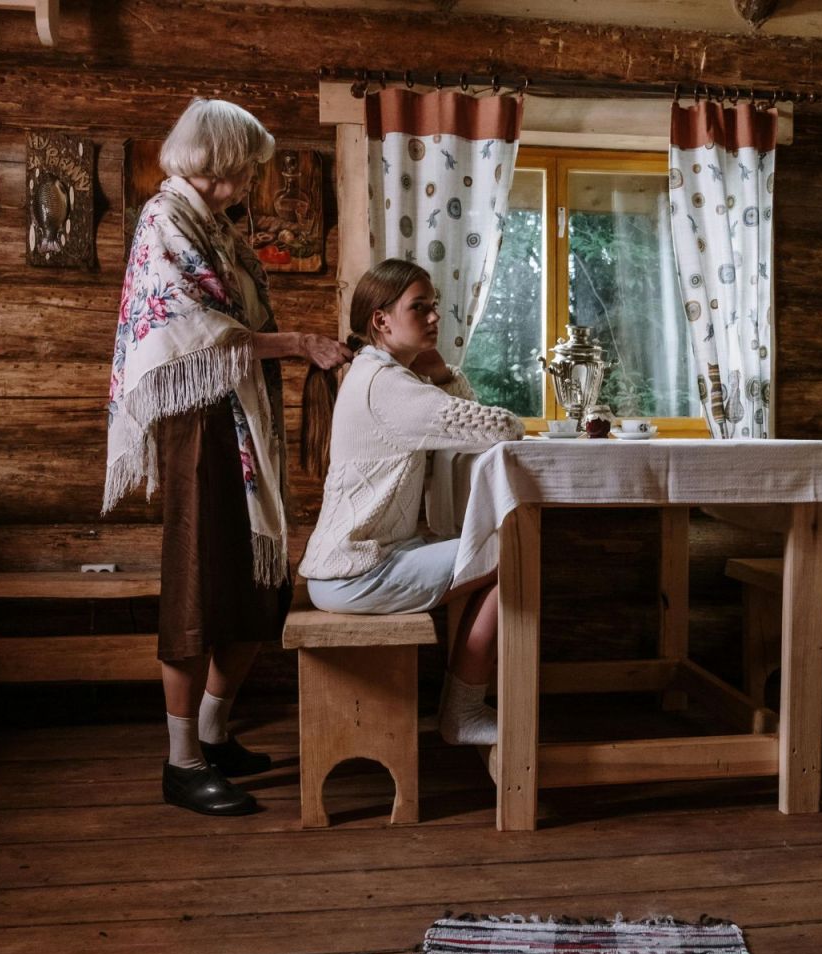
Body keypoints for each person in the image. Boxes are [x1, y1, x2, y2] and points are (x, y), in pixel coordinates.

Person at [103, 99, 351, 816]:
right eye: (246, 166)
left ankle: (212, 734)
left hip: (239, 418)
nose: (252, 180)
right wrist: (297, 344)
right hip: (199, 422)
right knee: (198, 583)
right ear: (217, 158)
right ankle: (180, 762)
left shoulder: (216, 226)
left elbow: (238, 321)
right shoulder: (165, 220)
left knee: (255, 586)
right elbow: (190, 329)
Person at [300, 258, 524, 745]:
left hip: (363, 563)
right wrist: (444, 377)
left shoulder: (383, 373)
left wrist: (439, 374)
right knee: (514, 553)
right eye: (419, 307)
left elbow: (466, 418)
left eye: (434, 306)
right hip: (357, 573)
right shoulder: (389, 385)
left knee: (491, 550)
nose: (434, 317)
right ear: (381, 320)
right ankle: (462, 712)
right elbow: (502, 427)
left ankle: (464, 705)